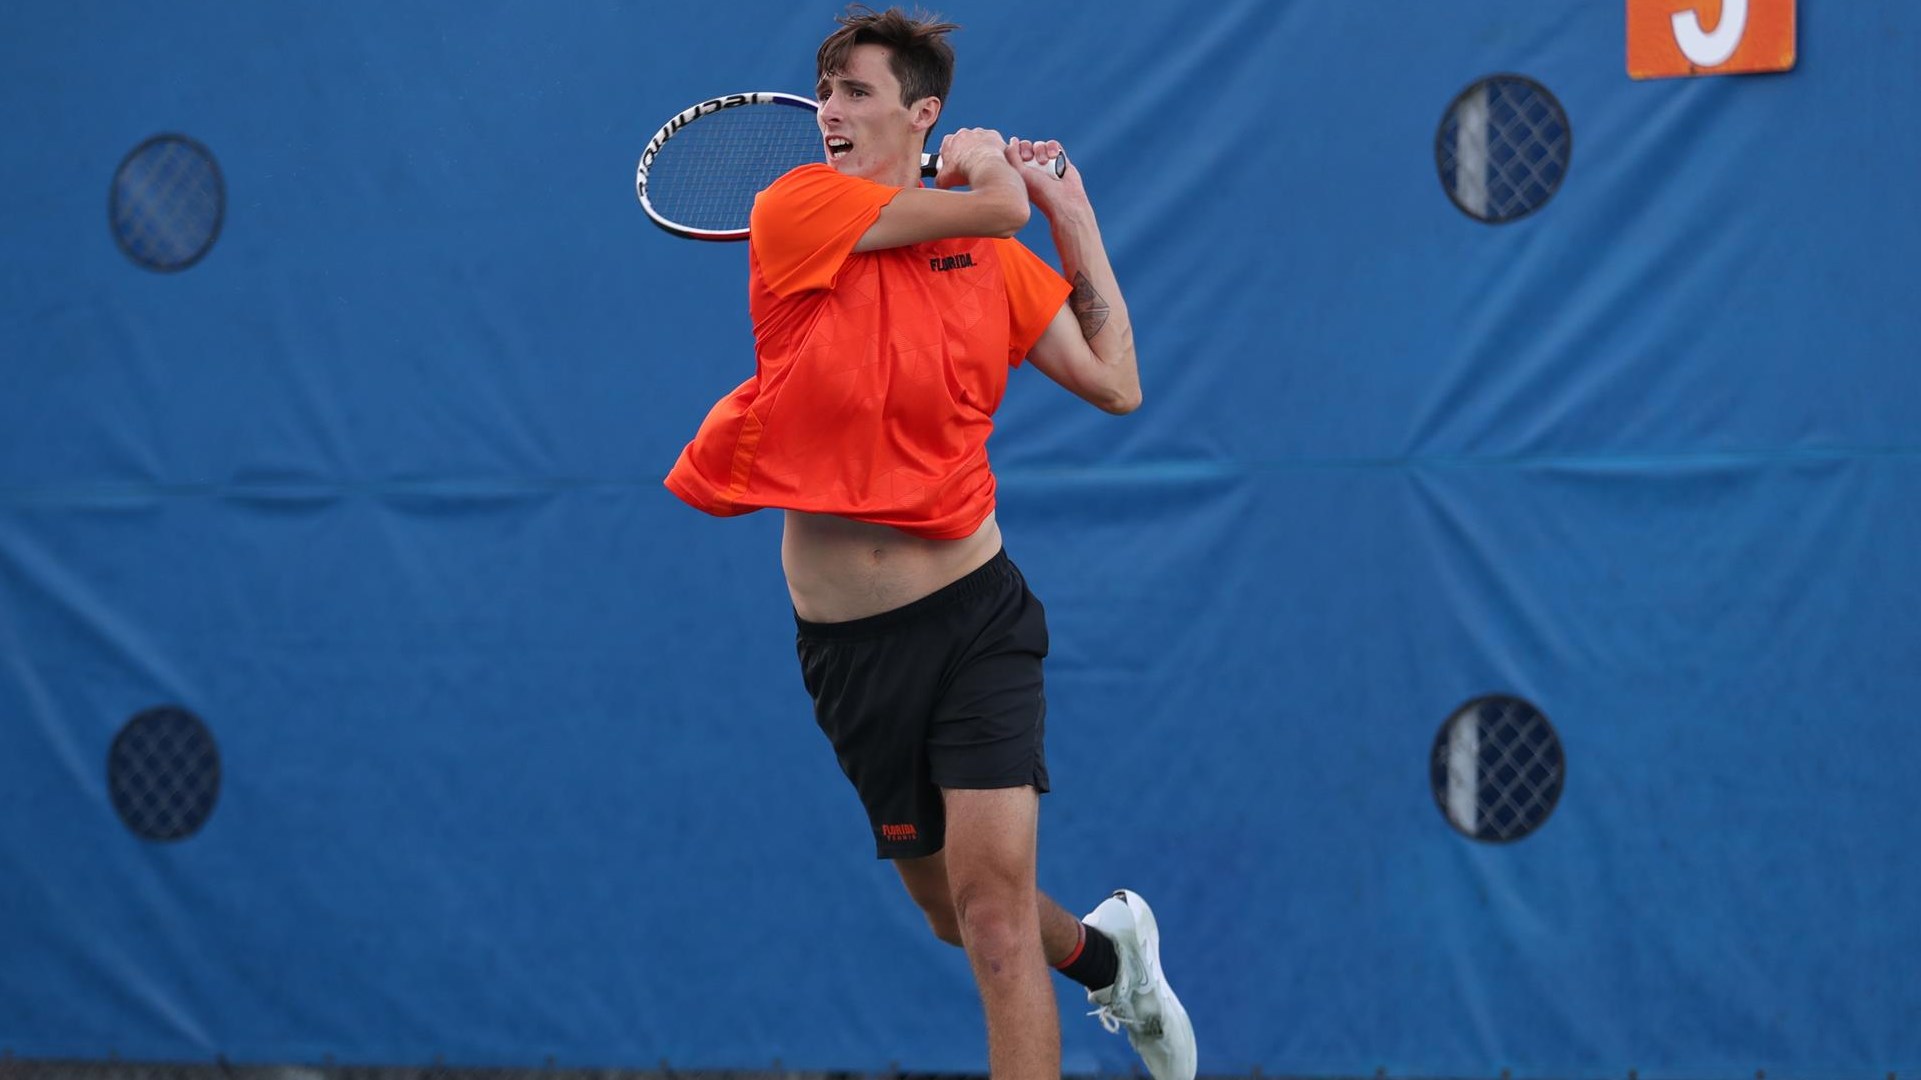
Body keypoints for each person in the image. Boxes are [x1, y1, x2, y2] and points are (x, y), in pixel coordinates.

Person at [664, 7, 1196, 1078]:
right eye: (824, 90)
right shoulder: (798, 206)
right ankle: (1107, 960)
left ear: (920, 113)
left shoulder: (988, 255)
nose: (830, 111)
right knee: (951, 913)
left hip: (974, 617)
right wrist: (996, 174)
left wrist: (1073, 217)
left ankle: (1085, 970)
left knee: (993, 918)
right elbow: (993, 202)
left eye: (856, 91)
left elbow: (1117, 382)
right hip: (850, 653)